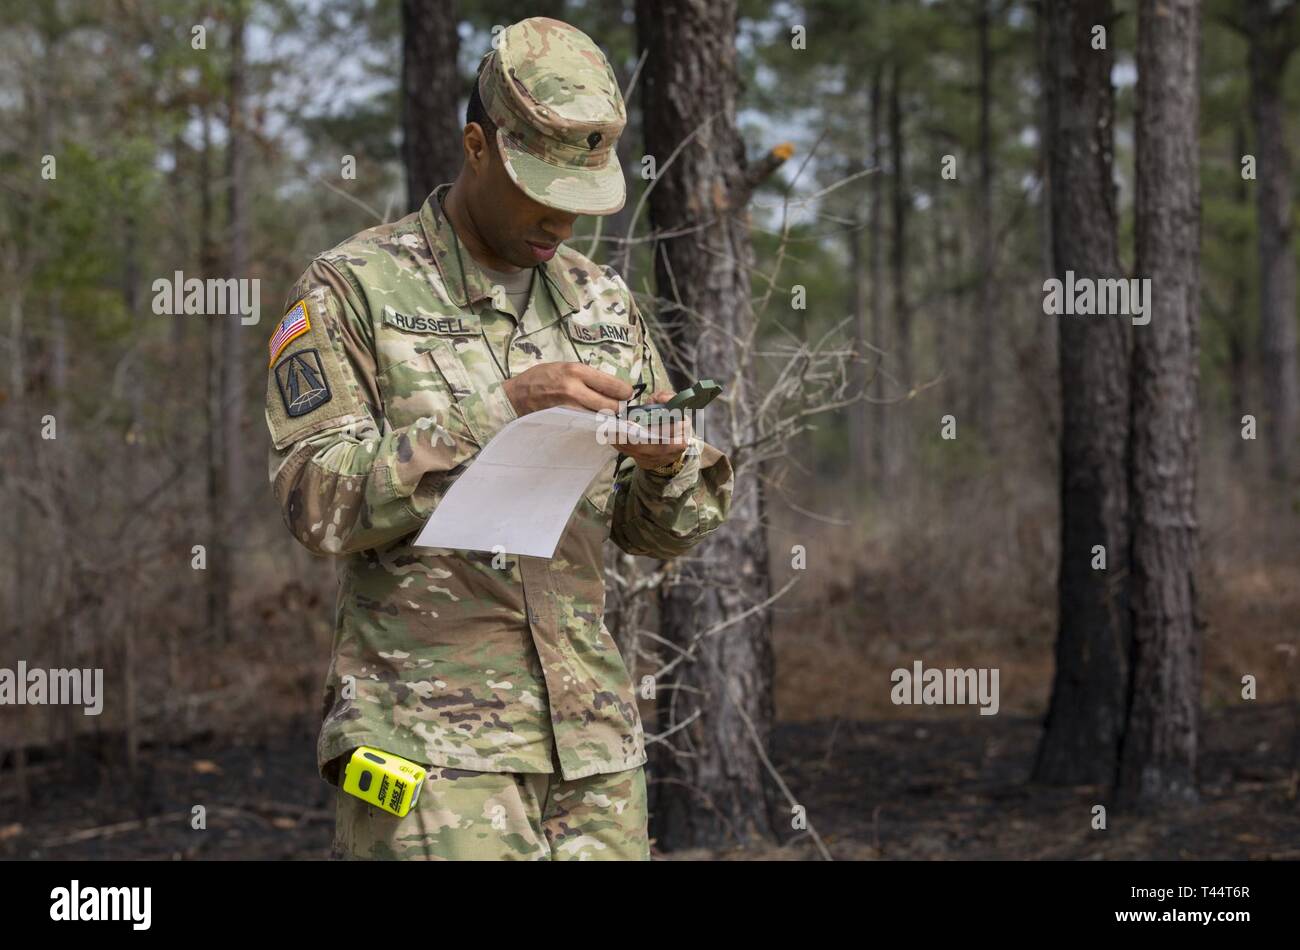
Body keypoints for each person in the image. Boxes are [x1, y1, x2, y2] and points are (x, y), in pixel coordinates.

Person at [263, 16, 734, 860]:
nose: (562, 220)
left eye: (580, 198)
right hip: (426, 745)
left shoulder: (600, 303)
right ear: (476, 147)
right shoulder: (352, 288)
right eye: (540, 190)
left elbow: (655, 534)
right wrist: (495, 412)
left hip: (590, 744)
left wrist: (668, 466)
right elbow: (316, 502)